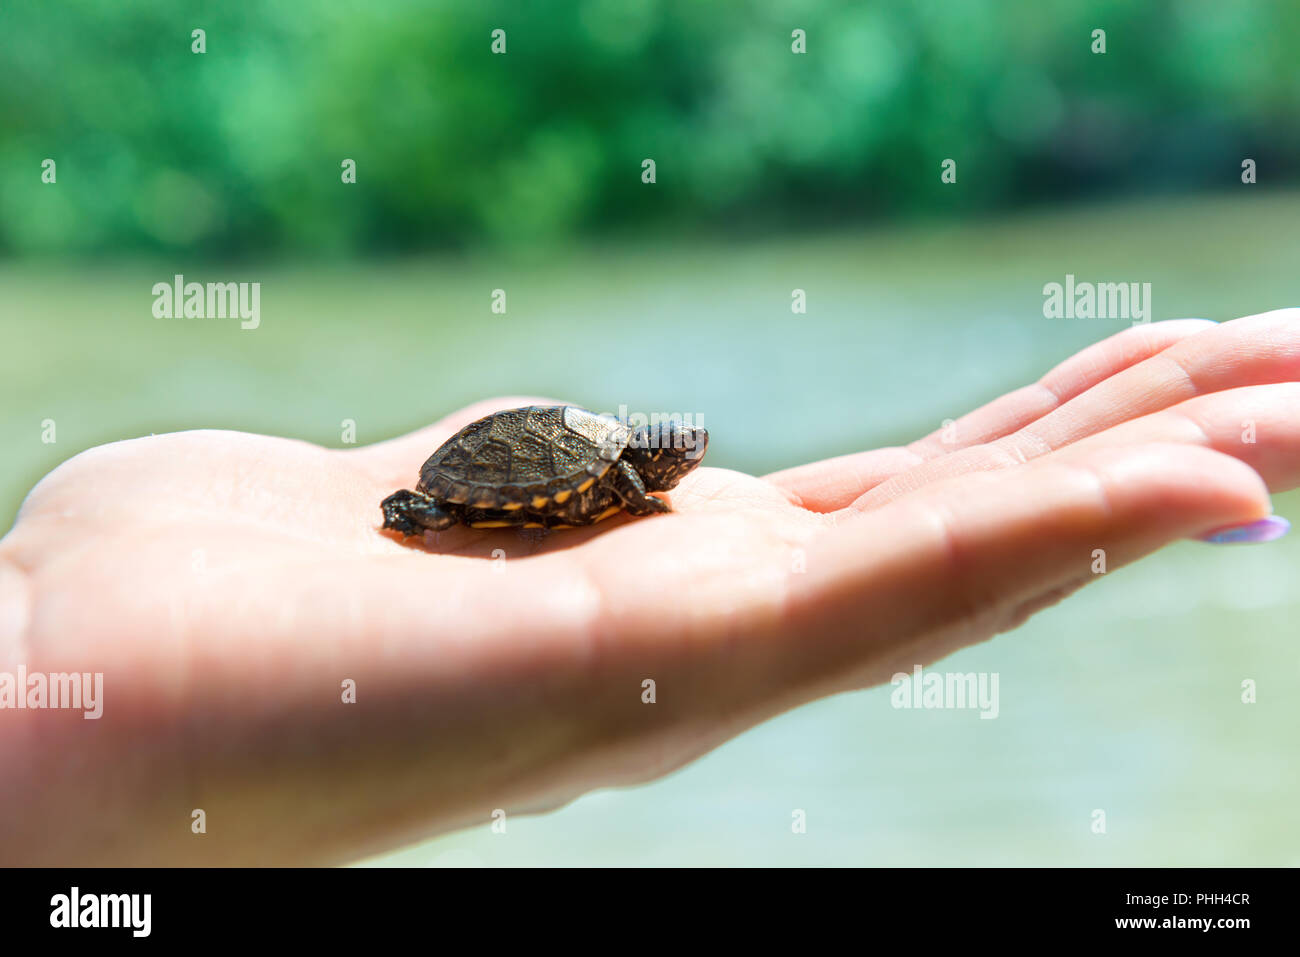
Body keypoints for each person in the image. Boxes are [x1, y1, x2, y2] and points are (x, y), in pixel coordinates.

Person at [1, 309, 1296, 865]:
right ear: (652, 455)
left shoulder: (626, 475)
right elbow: (547, 499)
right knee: (439, 514)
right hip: (489, 474)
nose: (683, 460)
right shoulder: (601, 474)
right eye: (673, 453)